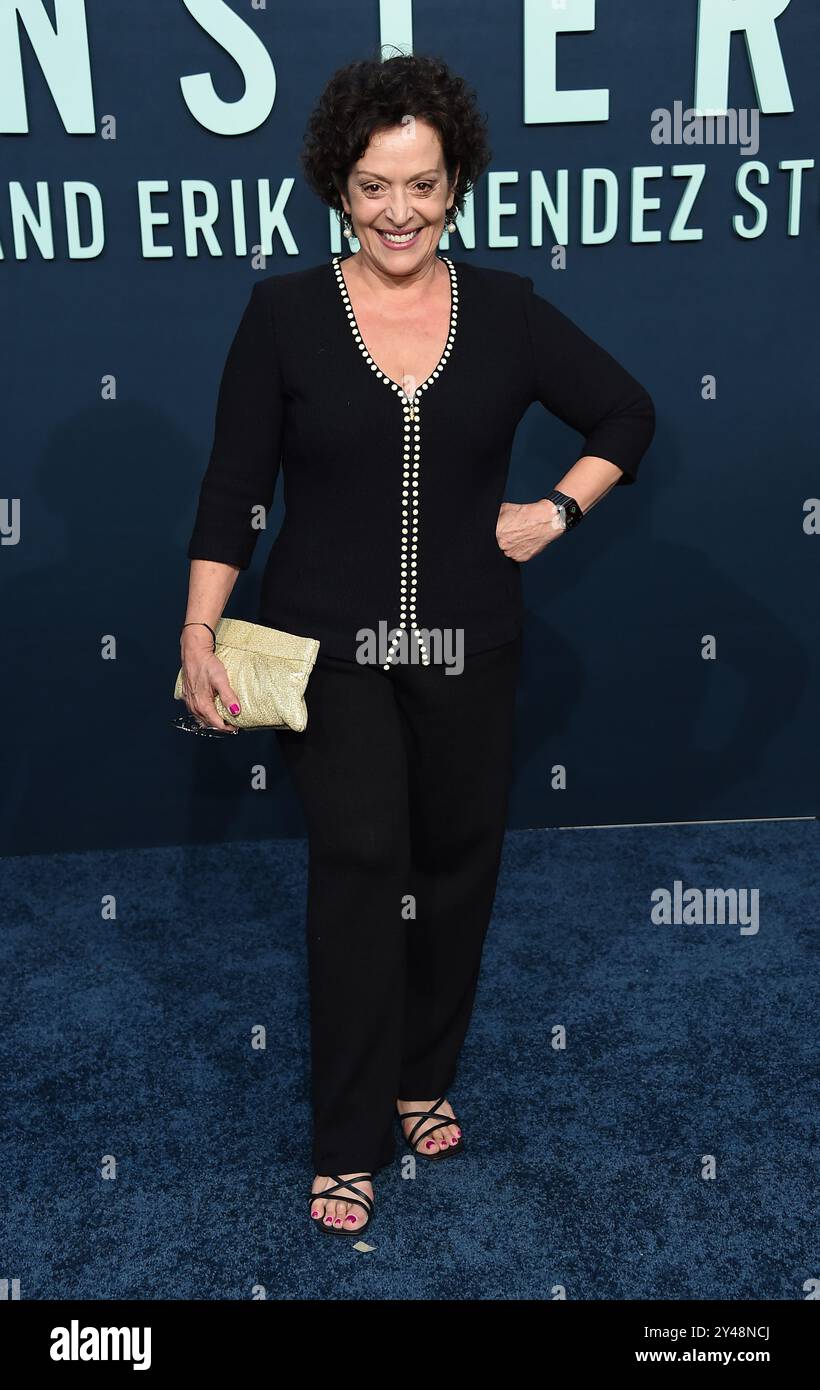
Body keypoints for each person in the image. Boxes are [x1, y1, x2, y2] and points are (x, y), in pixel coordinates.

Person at [178, 53, 656, 1237]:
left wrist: (559, 508)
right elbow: (237, 484)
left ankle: (421, 1072)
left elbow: (626, 411)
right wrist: (198, 625)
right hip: (324, 653)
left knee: (454, 868)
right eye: (374, 185)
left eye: (424, 184)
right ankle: (346, 1138)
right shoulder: (283, 312)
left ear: (457, 186)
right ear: (338, 186)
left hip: (468, 648)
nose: (400, 210)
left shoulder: (505, 311)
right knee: (357, 867)